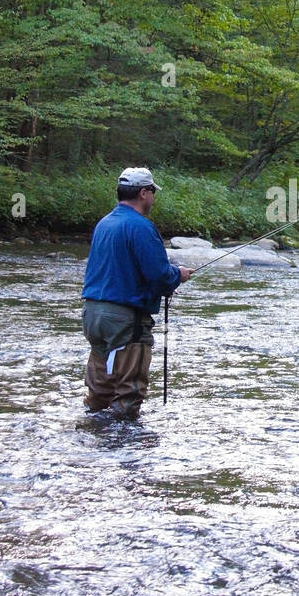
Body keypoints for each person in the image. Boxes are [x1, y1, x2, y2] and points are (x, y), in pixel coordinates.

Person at [81, 167, 192, 419]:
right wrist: (179, 275)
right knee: (128, 390)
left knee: (100, 386)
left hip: (92, 315)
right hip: (124, 319)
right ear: (143, 193)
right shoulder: (141, 227)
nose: (153, 197)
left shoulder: (105, 223)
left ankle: (92, 437)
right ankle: (123, 446)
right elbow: (160, 276)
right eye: (152, 191)